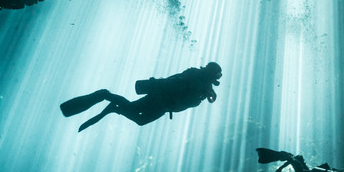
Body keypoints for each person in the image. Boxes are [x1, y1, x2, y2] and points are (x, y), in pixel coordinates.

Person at [60, 62, 222, 132]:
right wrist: (209, 94)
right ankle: (108, 100)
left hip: (161, 99)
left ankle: (108, 100)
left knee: (133, 110)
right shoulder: (201, 81)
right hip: (163, 102)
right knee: (140, 119)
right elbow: (210, 96)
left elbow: (211, 97)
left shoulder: (199, 78)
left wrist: (210, 94)